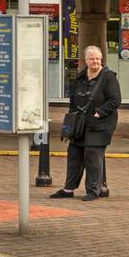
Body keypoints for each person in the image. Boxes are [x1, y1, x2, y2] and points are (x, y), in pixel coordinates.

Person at [50, 45, 120, 202]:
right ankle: (68, 189)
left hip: (100, 124)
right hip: (80, 124)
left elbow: (115, 100)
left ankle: (93, 190)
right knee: (74, 153)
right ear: (86, 61)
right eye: (92, 59)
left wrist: (99, 112)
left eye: (98, 59)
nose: (95, 61)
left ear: (101, 60)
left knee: (92, 155)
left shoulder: (108, 77)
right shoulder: (80, 77)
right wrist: (71, 117)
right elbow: (73, 100)